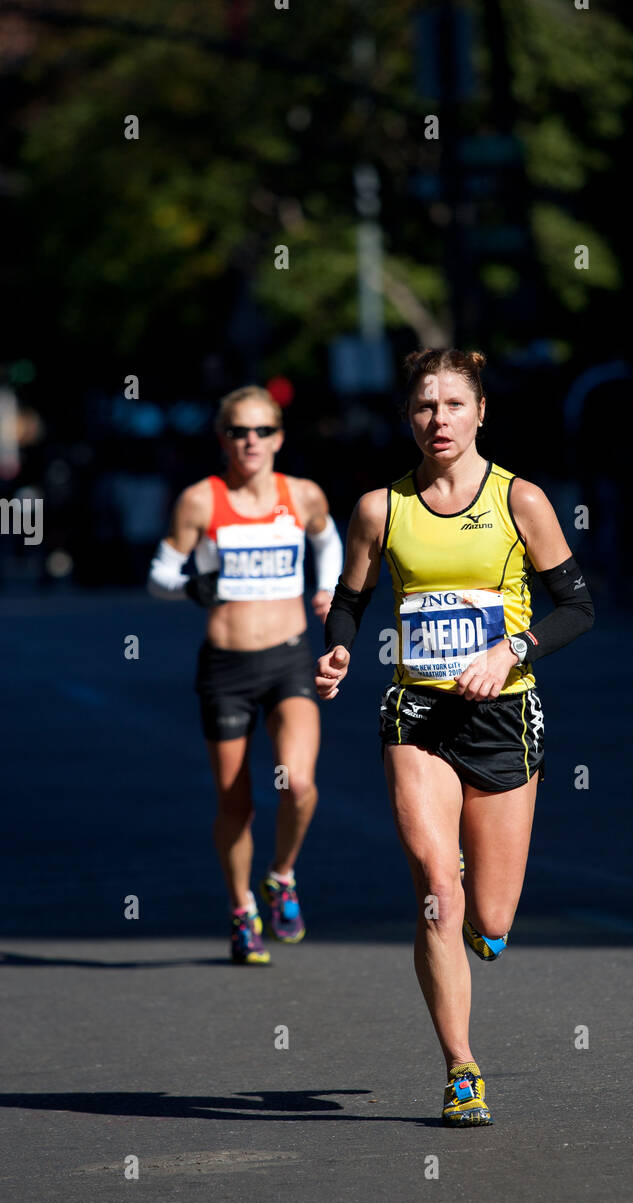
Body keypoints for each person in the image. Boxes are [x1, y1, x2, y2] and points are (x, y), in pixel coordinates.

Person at [315, 349, 594, 1124]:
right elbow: (350, 600)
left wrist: (514, 648)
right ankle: (461, 1067)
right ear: (409, 417)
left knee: (491, 920)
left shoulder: (521, 500)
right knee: (438, 892)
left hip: (504, 716)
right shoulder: (381, 508)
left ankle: (479, 909)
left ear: (480, 413)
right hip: (417, 717)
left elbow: (578, 607)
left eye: (453, 405)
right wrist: (339, 647)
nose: (438, 420)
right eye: (424, 407)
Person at [148, 385, 342, 963]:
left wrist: (327, 588)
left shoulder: (302, 495)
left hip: (288, 659)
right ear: (222, 438)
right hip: (226, 667)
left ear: (279, 437)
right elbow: (159, 572)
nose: (250, 441)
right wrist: (187, 586)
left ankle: (280, 876)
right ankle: (241, 909)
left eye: (261, 430)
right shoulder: (201, 501)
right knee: (237, 804)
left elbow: (329, 540)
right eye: (238, 431)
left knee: (299, 784)